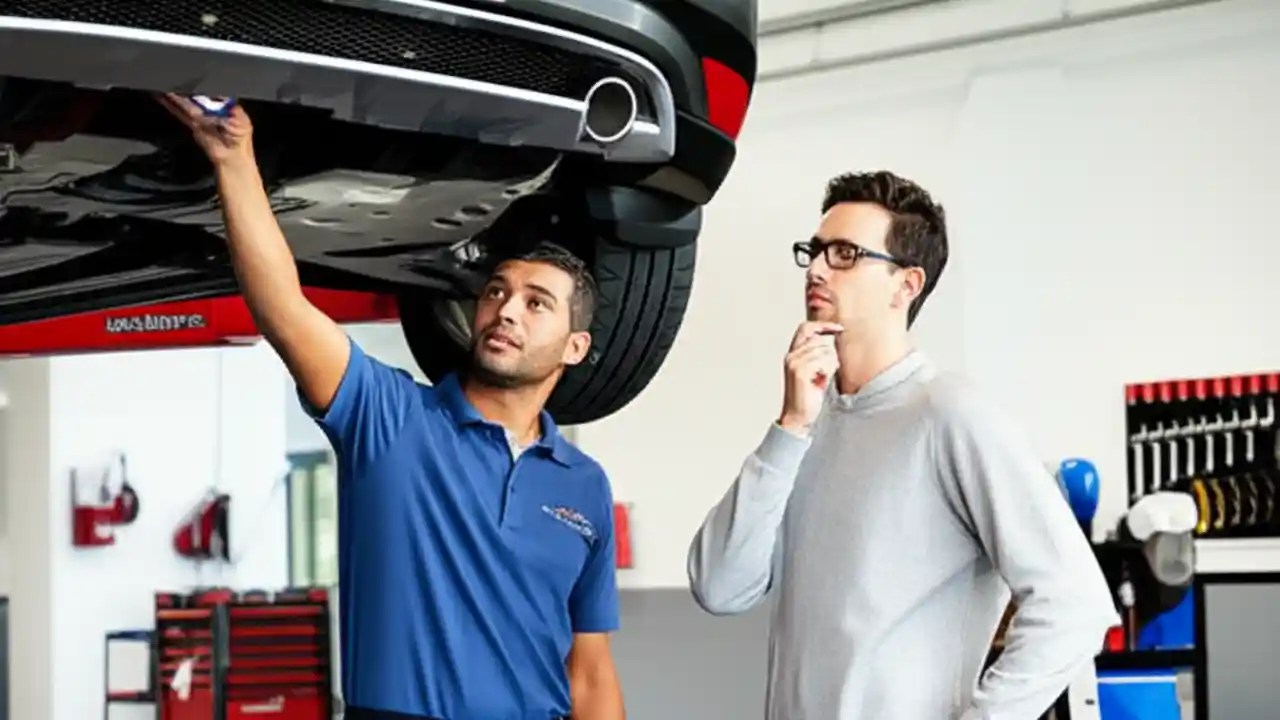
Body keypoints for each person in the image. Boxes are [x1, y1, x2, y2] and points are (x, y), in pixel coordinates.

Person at [157, 95, 625, 720]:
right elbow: (284, 310)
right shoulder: (388, 417)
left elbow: (590, 673)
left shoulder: (585, 486)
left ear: (575, 345)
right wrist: (234, 158)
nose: (507, 310)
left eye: (536, 303)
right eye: (496, 292)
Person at [687, 170, 1119, 719]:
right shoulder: (809, 423)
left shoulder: (949, 413)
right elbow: (720, 587)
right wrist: (790, 425)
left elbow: (1075, 605)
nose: (818, 268)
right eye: (815, 251)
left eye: (845, 253)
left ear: (906, 285)